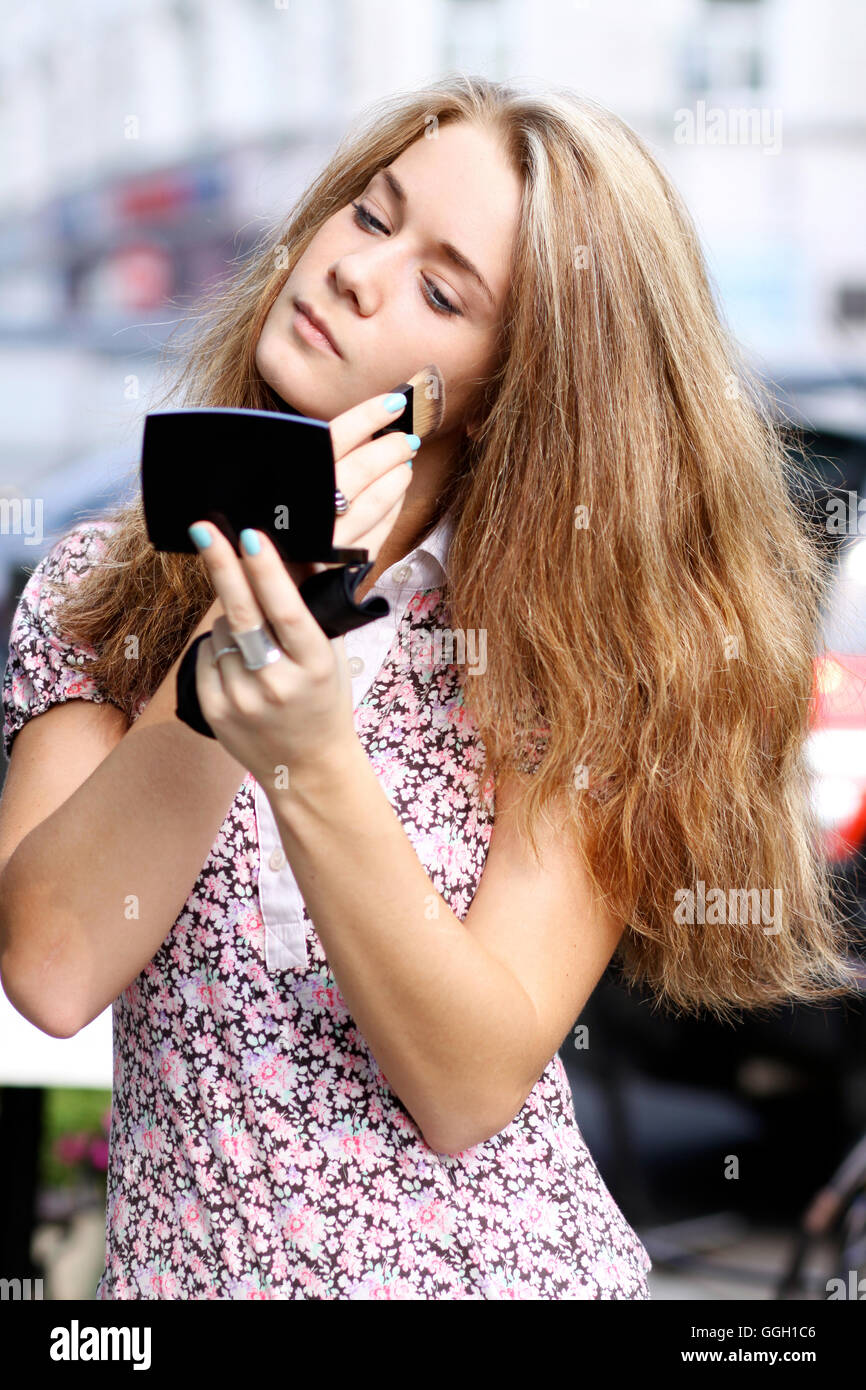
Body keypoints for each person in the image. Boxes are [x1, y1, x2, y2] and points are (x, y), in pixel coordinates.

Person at [0, 74, 859, 1301]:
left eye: (442, 287)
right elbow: (53, 963)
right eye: (369, 214)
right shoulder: (102, 587)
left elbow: (463, 1087)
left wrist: (313, 755)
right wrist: (235, 659)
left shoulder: (570, 649)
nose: (358, 271)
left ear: (518, 385)